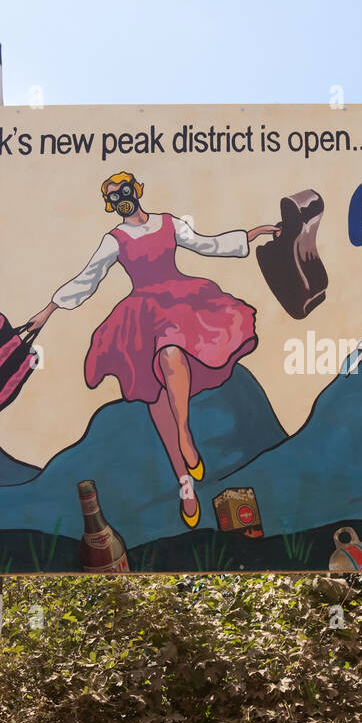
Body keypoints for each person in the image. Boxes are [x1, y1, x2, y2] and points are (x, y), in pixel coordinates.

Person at [26, 172, 278, 529]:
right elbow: (88, 278)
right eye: (112, 197)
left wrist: (252, 234)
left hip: (179, 303)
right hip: (140, 317)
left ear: (137, 190)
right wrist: (49, 310)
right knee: (157, 402)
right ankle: (185, 486)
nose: (120, 199)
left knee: (171, 349)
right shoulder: (114, 239)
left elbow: (206, 244)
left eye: (124, 191)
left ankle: (185, 432)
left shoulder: (167, 224)